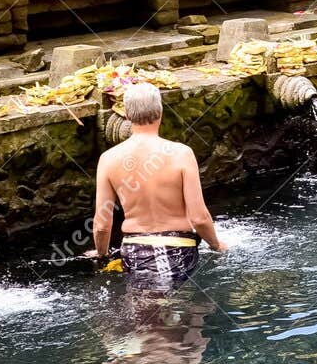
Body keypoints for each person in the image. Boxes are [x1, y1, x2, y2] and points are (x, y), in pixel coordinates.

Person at [92, 82, 226, 292]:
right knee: (180, 306)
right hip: (179, 248)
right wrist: (217, 245)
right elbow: (199, 218)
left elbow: (101, 225)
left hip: (134, 251)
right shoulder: (182, 153)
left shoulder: (108, 159)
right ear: (160, 112)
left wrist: (102, 254)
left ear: (127, 115)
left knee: (144, 303)